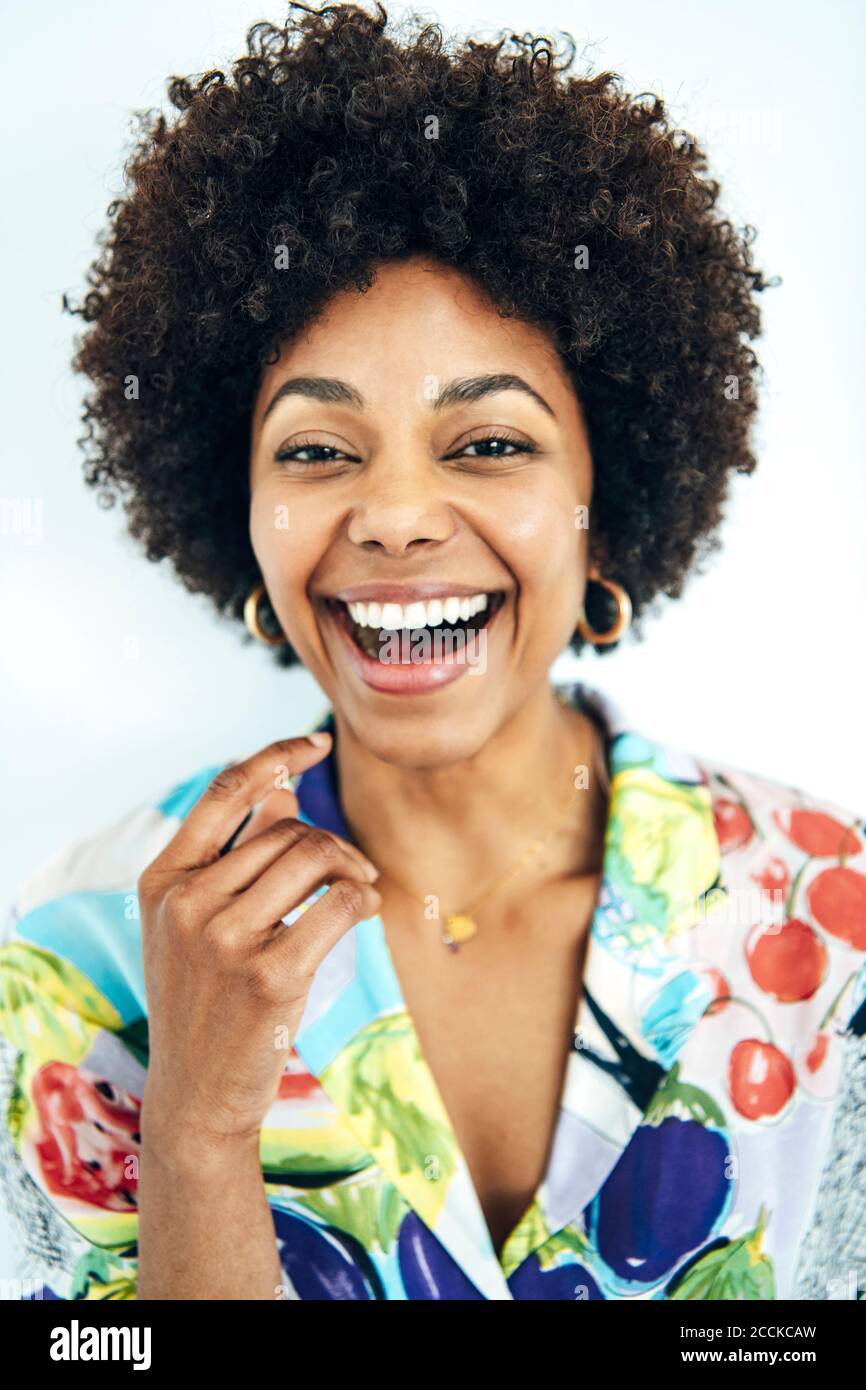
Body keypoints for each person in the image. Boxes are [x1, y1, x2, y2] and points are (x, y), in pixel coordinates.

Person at [1, 4, 863, 1302]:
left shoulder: (831, 919)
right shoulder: (84, 953)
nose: (395, 514)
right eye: (315, 449)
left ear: (606, 501)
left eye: (489, 443)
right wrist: (195, 1132)